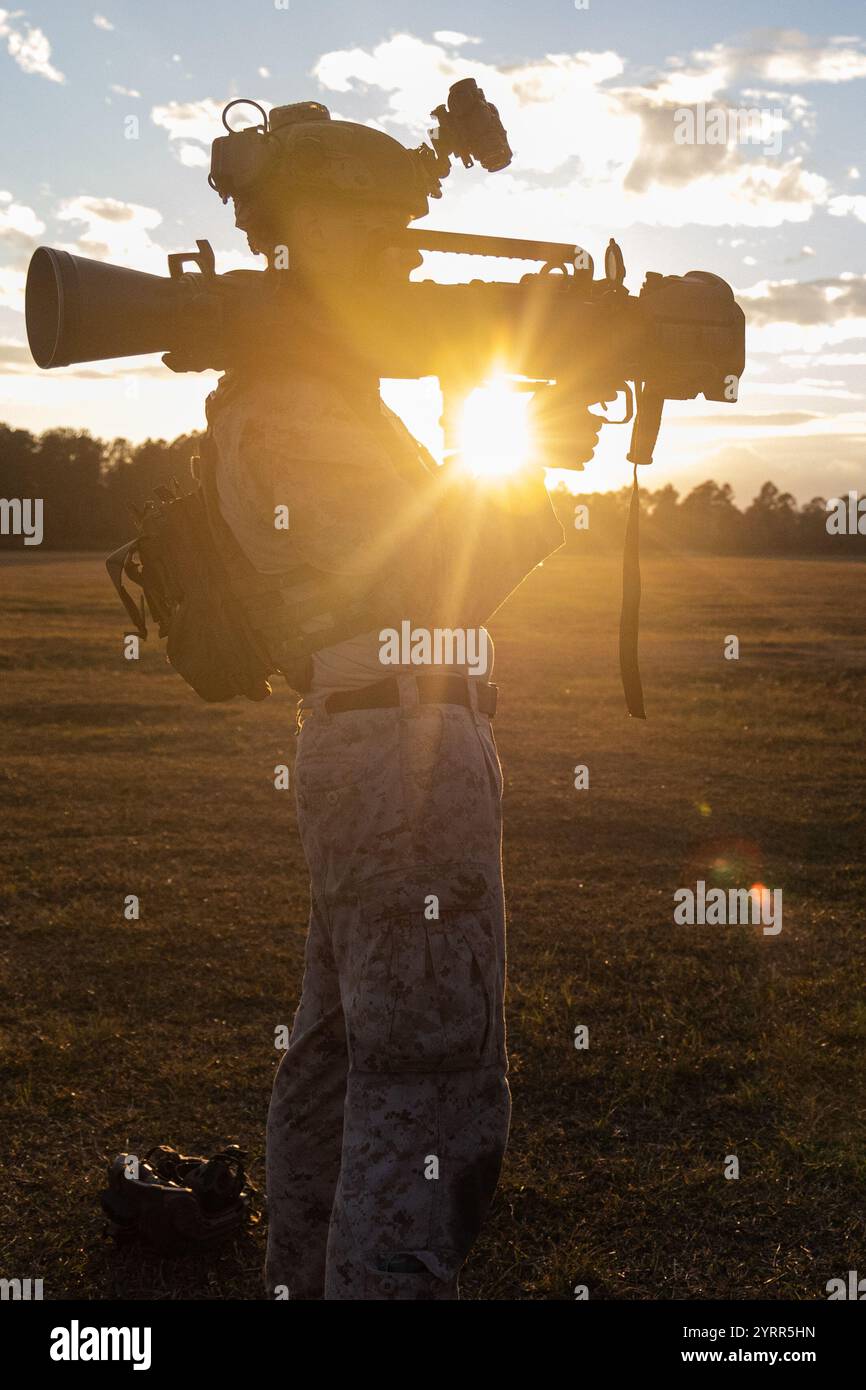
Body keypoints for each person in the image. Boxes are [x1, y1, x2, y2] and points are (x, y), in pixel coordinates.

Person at [205, 102, 600, 1299]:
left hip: (379, 744)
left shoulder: (312, 391)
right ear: (310, 231)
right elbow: (426, 582)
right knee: (427, 1072)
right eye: (379, 237)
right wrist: (532, 483)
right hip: (397, 752)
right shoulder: (292, 405)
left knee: (335, 1057)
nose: (406, 261)